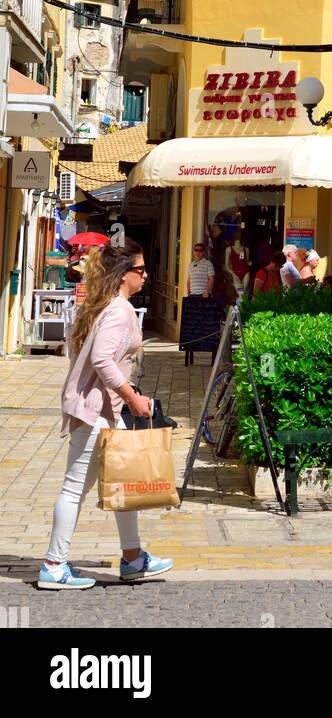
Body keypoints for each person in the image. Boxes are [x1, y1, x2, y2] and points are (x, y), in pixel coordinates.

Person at [39, 240, 174, 590]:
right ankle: (54, 565)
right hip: (95, 411)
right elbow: (102, 359)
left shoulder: (109, 305)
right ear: (122, 274)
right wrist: (131, 397)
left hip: (101, 410)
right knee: (74, 489)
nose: (146, 275)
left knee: (121, 482)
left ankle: (133, 558)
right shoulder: (118, 310)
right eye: (140, 270)